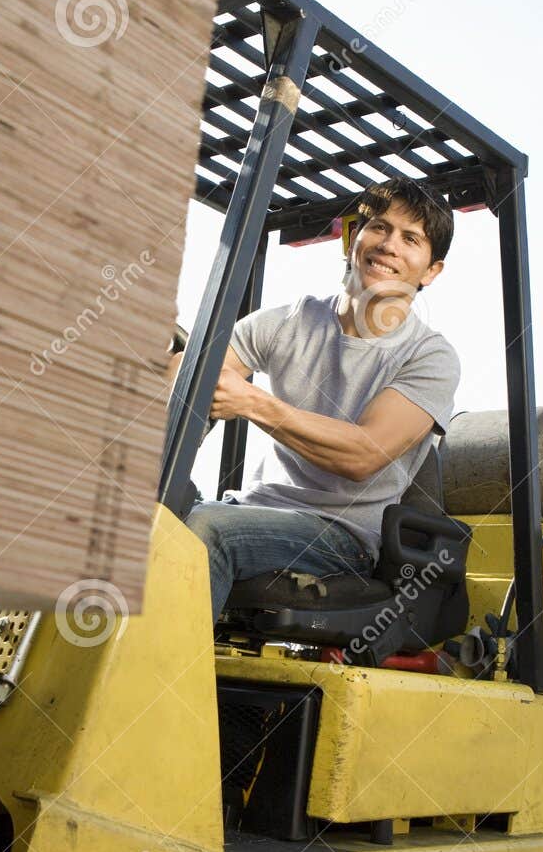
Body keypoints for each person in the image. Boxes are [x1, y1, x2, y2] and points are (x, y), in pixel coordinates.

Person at [181, 178, 461, 622]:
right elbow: (202, 373)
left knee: (203, 530)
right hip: (254, 507)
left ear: (431, 270)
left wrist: (252, 401)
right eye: (379, 227)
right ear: (353, 236)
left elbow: (363, 455)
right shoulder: (292, 320)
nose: (389, 245)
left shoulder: (430, 357)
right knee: (149, 514)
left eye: (411, 239)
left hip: (341, 536)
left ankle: (159, 688)